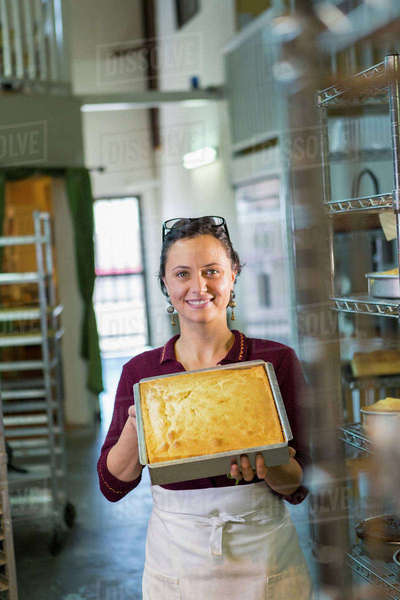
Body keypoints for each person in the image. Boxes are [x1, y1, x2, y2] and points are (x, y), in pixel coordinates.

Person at [97, 216, 313, 599]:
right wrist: (138, 422)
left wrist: (270, 463)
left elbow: (302, 482)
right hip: (178, 561)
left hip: (263, 556)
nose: (199, 287)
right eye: (182, 274)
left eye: (212, 271)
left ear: (233, 274)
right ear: (165, 283)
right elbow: (113, 485)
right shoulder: (142, 373)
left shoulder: (273, 362)